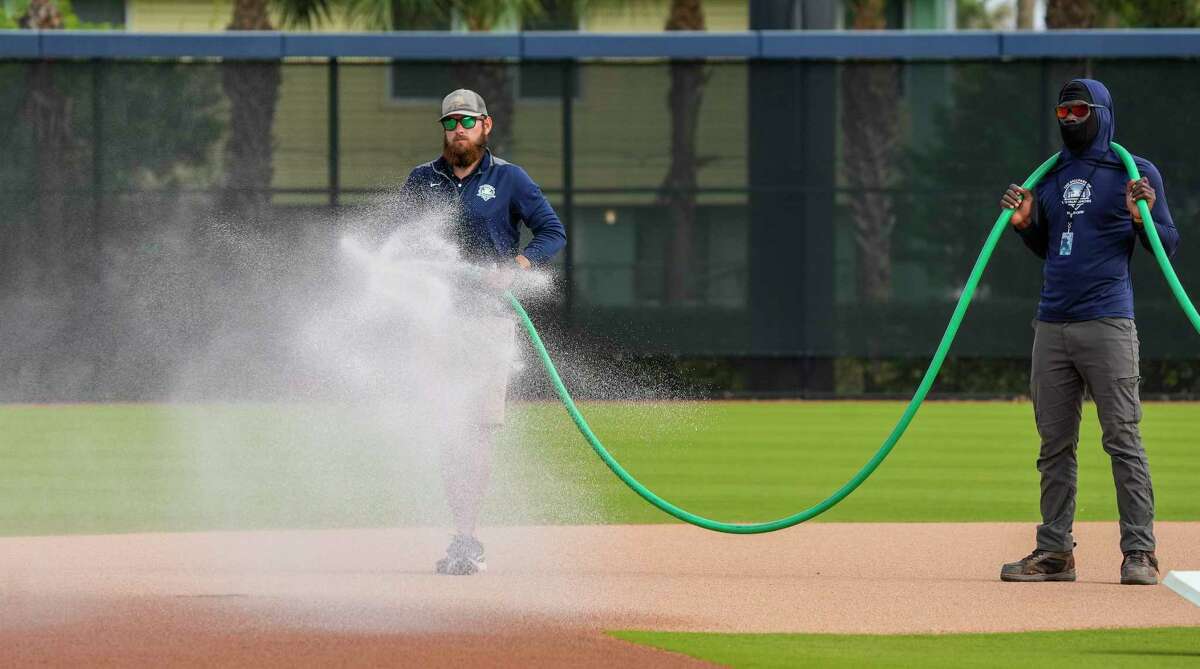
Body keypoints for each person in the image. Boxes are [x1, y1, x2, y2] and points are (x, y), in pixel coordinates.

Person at [999, 78, 1179, 586]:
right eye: (1062, 110)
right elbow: (1053, 248)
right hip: (1052, 323)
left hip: (1107, 322)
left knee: (1122, 438)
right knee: (1053, 445)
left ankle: (1140, 553)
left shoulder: (1134, 172)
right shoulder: (1051, 176)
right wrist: (1027, 224)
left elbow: (1168, 243)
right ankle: (1055, 552)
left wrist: (1139, 216)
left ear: (1101, 112)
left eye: (1080, 109)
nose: (1070, 118)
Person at [402, 88, 566, 575]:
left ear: (486, 126)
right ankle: (460, 531)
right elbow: (407, 244)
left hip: (488, 323)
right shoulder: (421, 181)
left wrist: (516, 264)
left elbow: (552, 232)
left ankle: (467, 538)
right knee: (448, 430)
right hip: (437, 324)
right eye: (450, 123)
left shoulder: (509, 179)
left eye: (466, 122)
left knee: (475, 431)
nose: (458, 131)